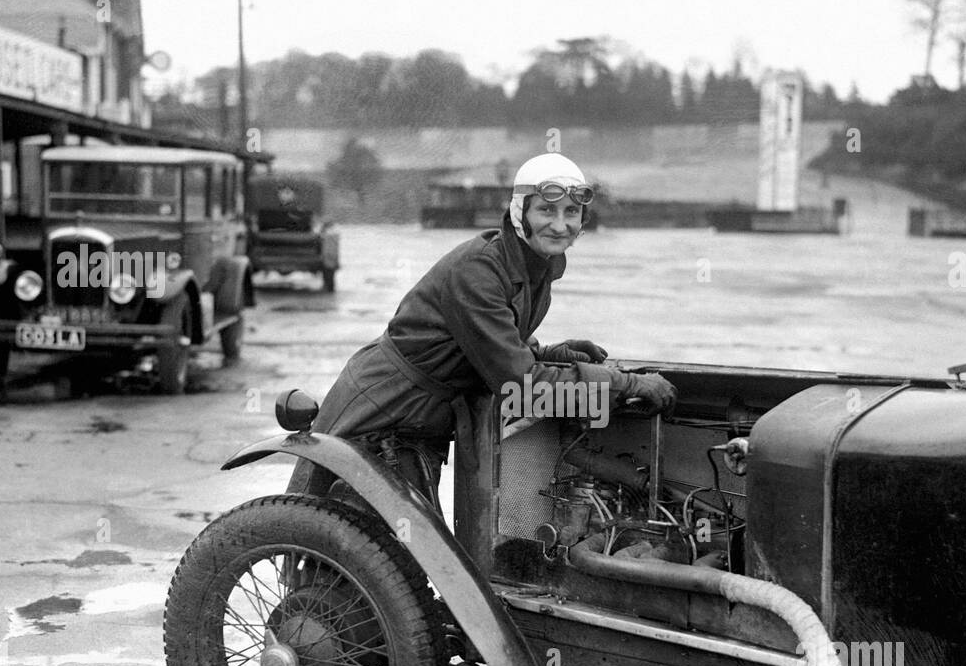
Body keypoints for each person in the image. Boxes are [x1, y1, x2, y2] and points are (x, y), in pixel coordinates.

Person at [288, 152, 676, 510]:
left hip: (420, 418)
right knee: (354, 544)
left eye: (571, 212)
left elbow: (493, 341)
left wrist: (546, 353)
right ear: (520, 211)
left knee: (398, 557)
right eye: (546, 210)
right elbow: (523, 391)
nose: (560, 225)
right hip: (384, 409)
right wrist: (623, 385)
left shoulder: (531, 263)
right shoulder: (479, 270)